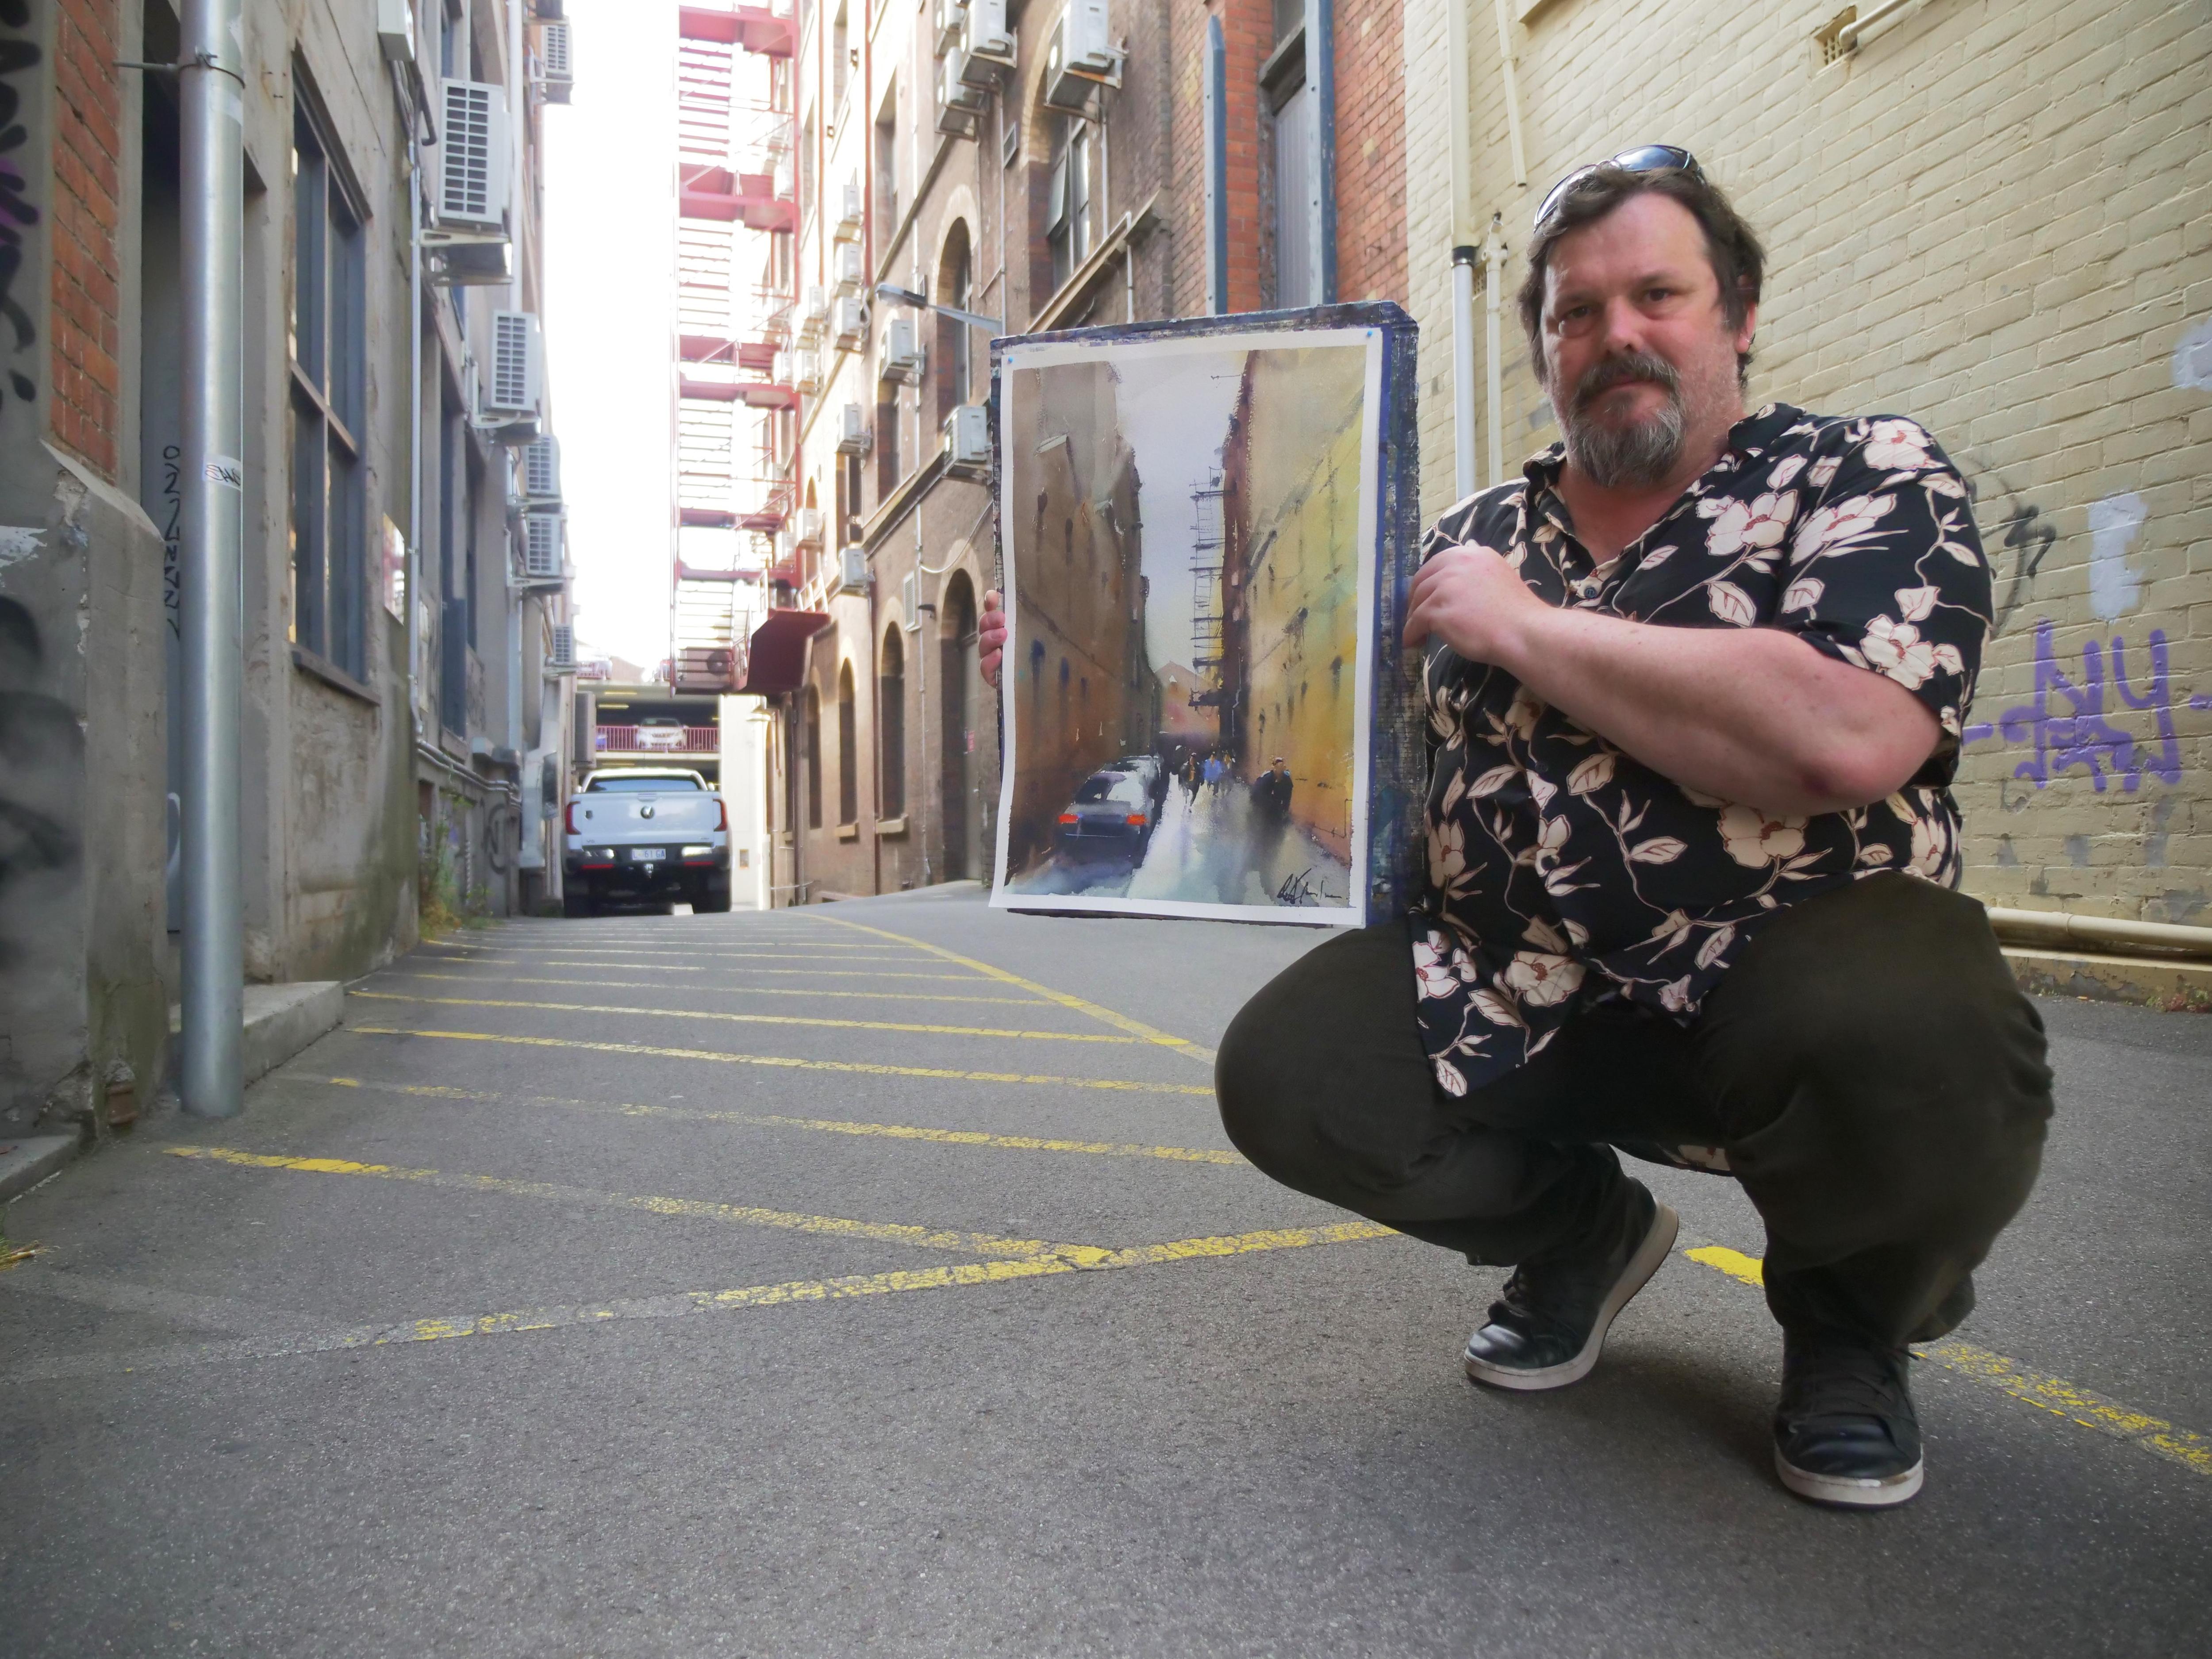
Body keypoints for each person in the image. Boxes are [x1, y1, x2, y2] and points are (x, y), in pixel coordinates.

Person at [976, 150, 2051, 1511]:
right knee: (1291, 1076)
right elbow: (1275, 722)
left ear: (1739, 311)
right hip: (1518, 983)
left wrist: (1531, 632)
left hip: (1785, 980)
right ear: (1545, 345)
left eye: (1657, 294)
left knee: (1918, 1032)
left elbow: (1846, 737)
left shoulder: (1861, 473)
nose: (1617, 336)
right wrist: (1067, 671)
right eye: (1575, 313)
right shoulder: (1472, 539)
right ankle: (1587, 1237)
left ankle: (1850, 1322)